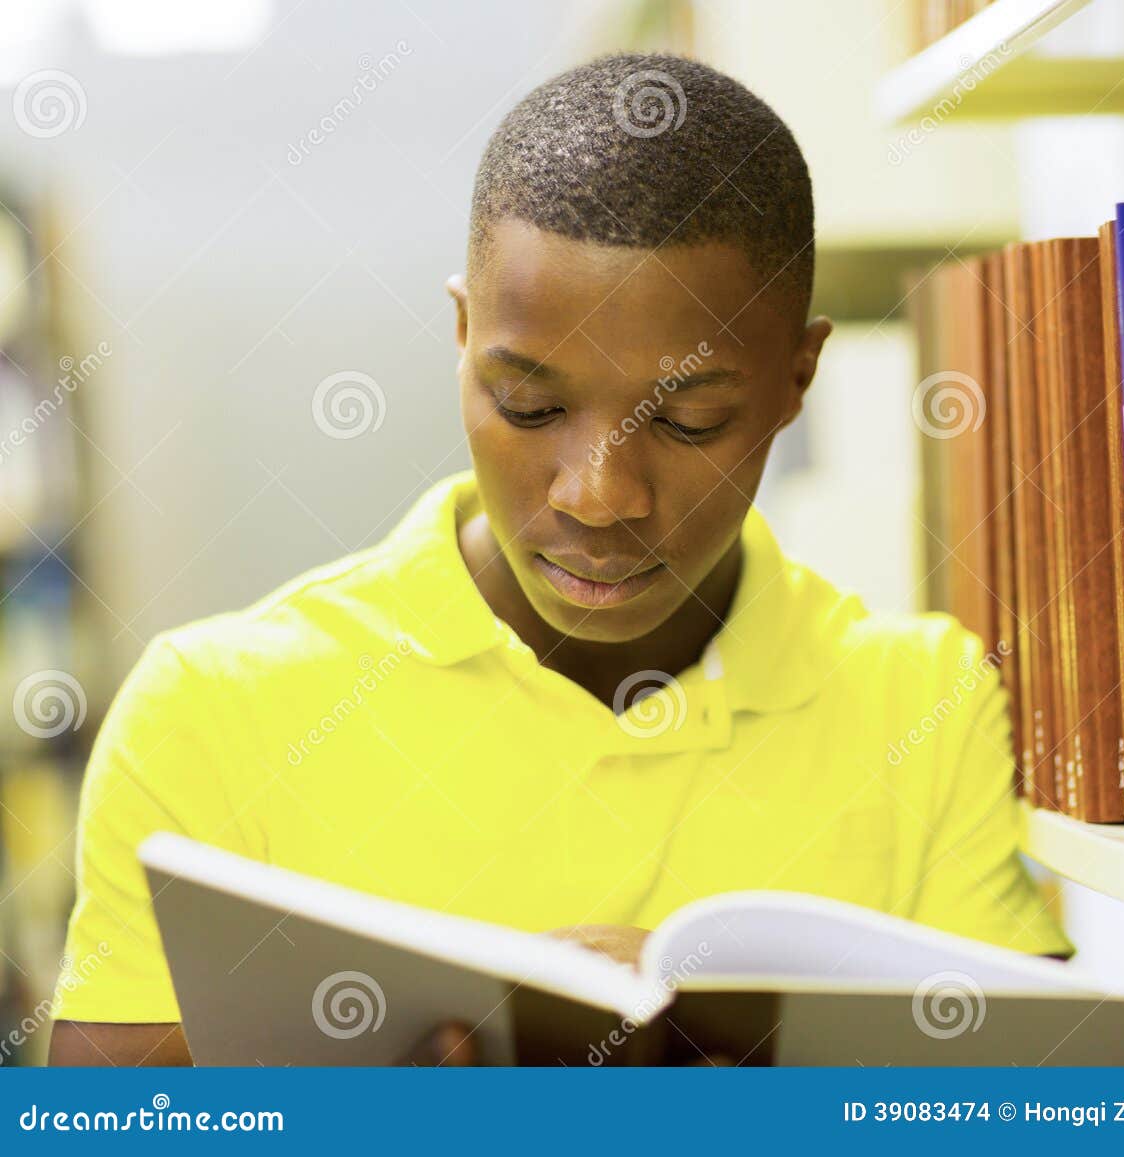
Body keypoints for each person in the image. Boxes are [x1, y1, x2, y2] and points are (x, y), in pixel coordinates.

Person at [49, 51, 1070, 1067]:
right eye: (529, 407)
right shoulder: (212, 711)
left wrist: (746, 1069)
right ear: (460, 336)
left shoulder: (922, 705)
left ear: (796, 376)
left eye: (688, 420)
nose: (598, 494)